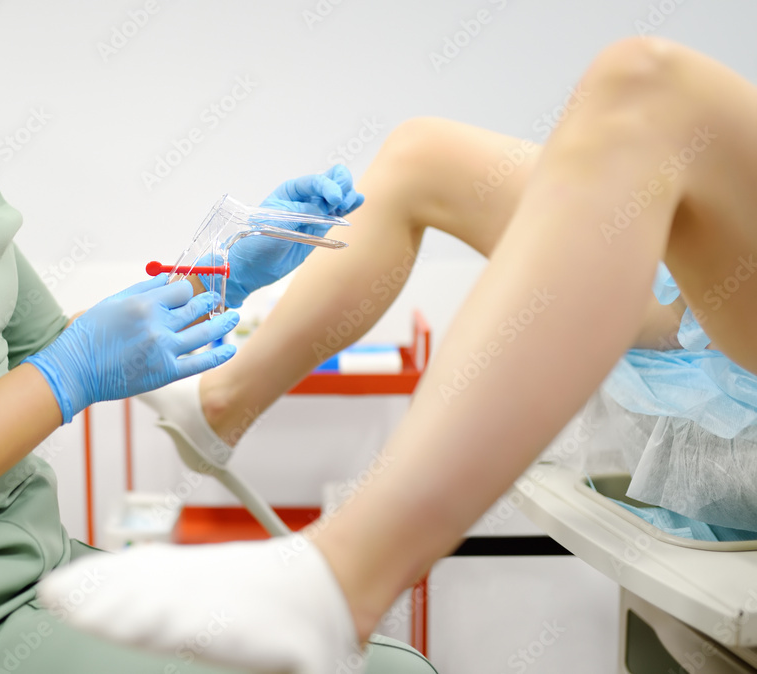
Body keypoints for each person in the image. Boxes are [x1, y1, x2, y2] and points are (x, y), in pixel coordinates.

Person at [38, 34, 757, 673]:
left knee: (650, 88)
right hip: (705, 310)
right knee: (423, 155)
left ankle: (340, 582)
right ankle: (221, 403)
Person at [0, 1, 436, 672]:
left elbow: (40, 346)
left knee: (382, 663)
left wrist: (223, 277)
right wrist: (69, 375)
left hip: (30, 570)